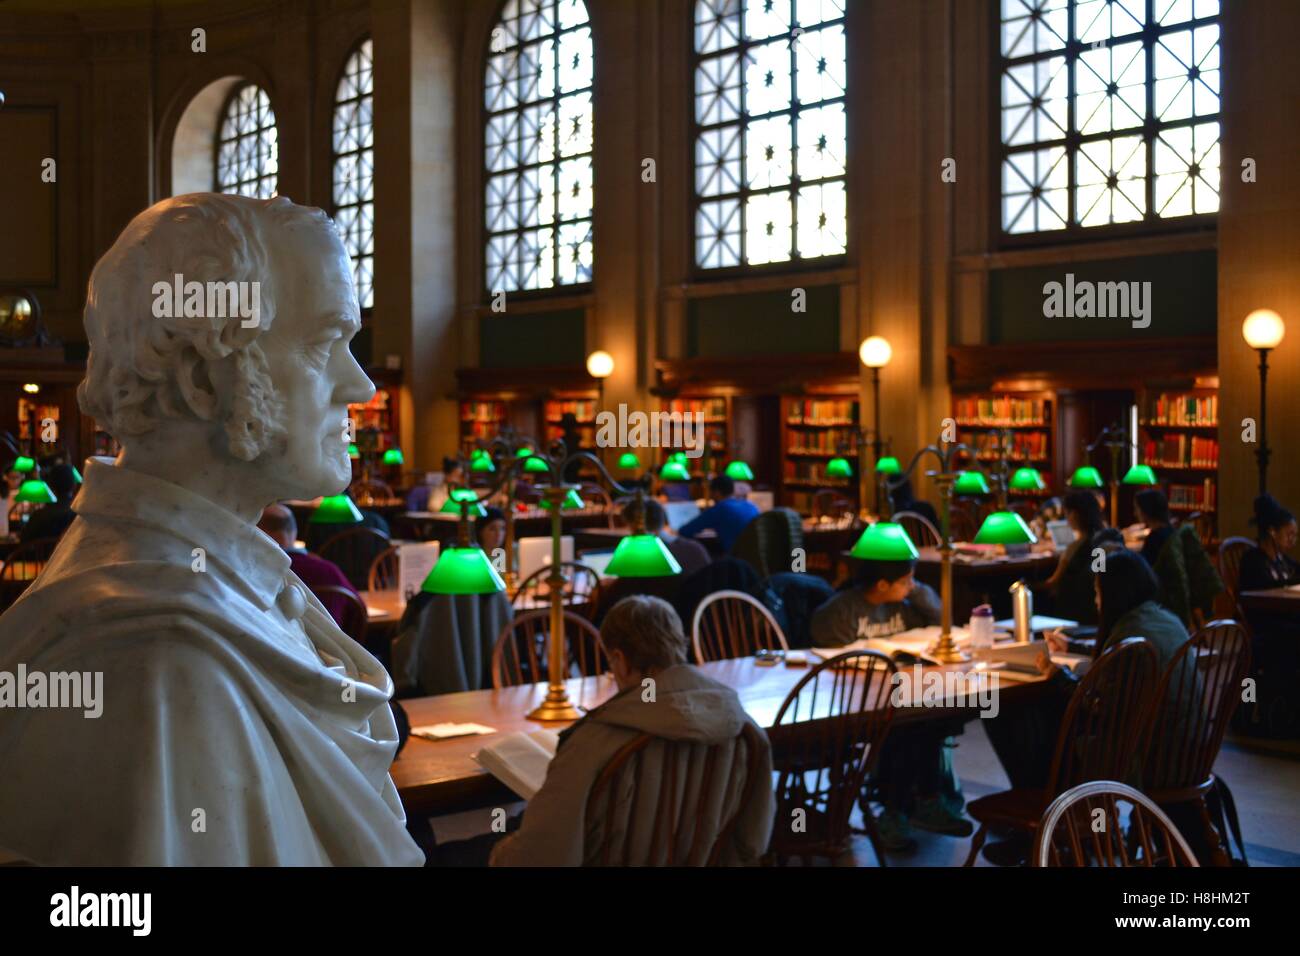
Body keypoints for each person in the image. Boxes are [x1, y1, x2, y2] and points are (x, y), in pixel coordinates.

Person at [0, 193, 422, 865]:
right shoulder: (155, 667)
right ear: (203, 377)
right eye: (324, 344)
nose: (362, 384)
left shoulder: (229, 586)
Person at [489, 595, 775, 865]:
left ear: (621, 660)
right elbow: (754, 841)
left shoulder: (594, 739)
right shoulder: (745, 730)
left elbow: (548, 857)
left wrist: (499, 854)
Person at [982, 550, 1192, 865]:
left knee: (1014, 720)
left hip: (1143, 758)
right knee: (1039, 725)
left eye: (1098, 591)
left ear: (1113, 593)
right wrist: (1076, 648)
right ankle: (1055, 832)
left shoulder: (1129, 637)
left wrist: (1059, 676)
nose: (1096, 600)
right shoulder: (1163, 619)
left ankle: (1039, 830)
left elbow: (1099, 710)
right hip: (1185, 749)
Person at [810, 557, 971, 851]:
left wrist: (917, 589)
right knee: (903, 730)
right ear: (883, 584)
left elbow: (941, 622)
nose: (911, 587)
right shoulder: (840, 611)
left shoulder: (904, 606)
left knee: (928, 720)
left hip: (898, 690)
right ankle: (896, 811)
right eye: (906, 581)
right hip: (854, 702)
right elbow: (832, 660)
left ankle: (923, 802)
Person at [258, 503, 360, 630]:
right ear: (294, 532)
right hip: (333, 646)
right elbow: (359, 611)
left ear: (260, 533)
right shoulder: (329, 570)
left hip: (280, 643)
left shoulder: (260, 571)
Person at [1135, 488, 1223, 628]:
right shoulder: (1175, 533)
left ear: (1146, 512)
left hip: (1161, 597)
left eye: (1138, 509)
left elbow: (1144, 570)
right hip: (1178, 595)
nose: (1136, 513)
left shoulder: (1155, 539)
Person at [1035, 491, 1123, 624]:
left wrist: (1029, 585)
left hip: (1076, 609)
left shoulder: (1075, 547)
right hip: (1101, 609)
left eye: (1067, 513)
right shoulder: (1107, 538)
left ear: (1074, 514)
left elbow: (1053, 582)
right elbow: (1100, 573)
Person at [678, 474, 759, 553]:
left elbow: (685, 531)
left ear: (716, 492)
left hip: (735, 558)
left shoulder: (720, 508)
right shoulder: (750, 505)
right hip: (756, 557)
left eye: (710, 492)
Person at [1239, 493, 1300, 592]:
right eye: (1289, 535)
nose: (1293, 540)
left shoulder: (1281, 559)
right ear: (1273, 532)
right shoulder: (1252, 560)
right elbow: (1269, 588)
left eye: (1295, 536)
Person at [19, 464, 79, 543]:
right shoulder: (81, 514)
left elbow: (24, 540)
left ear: (51, 486)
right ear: (74, 486)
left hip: (44, 555)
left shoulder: (39, 515)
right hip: (72, 555)